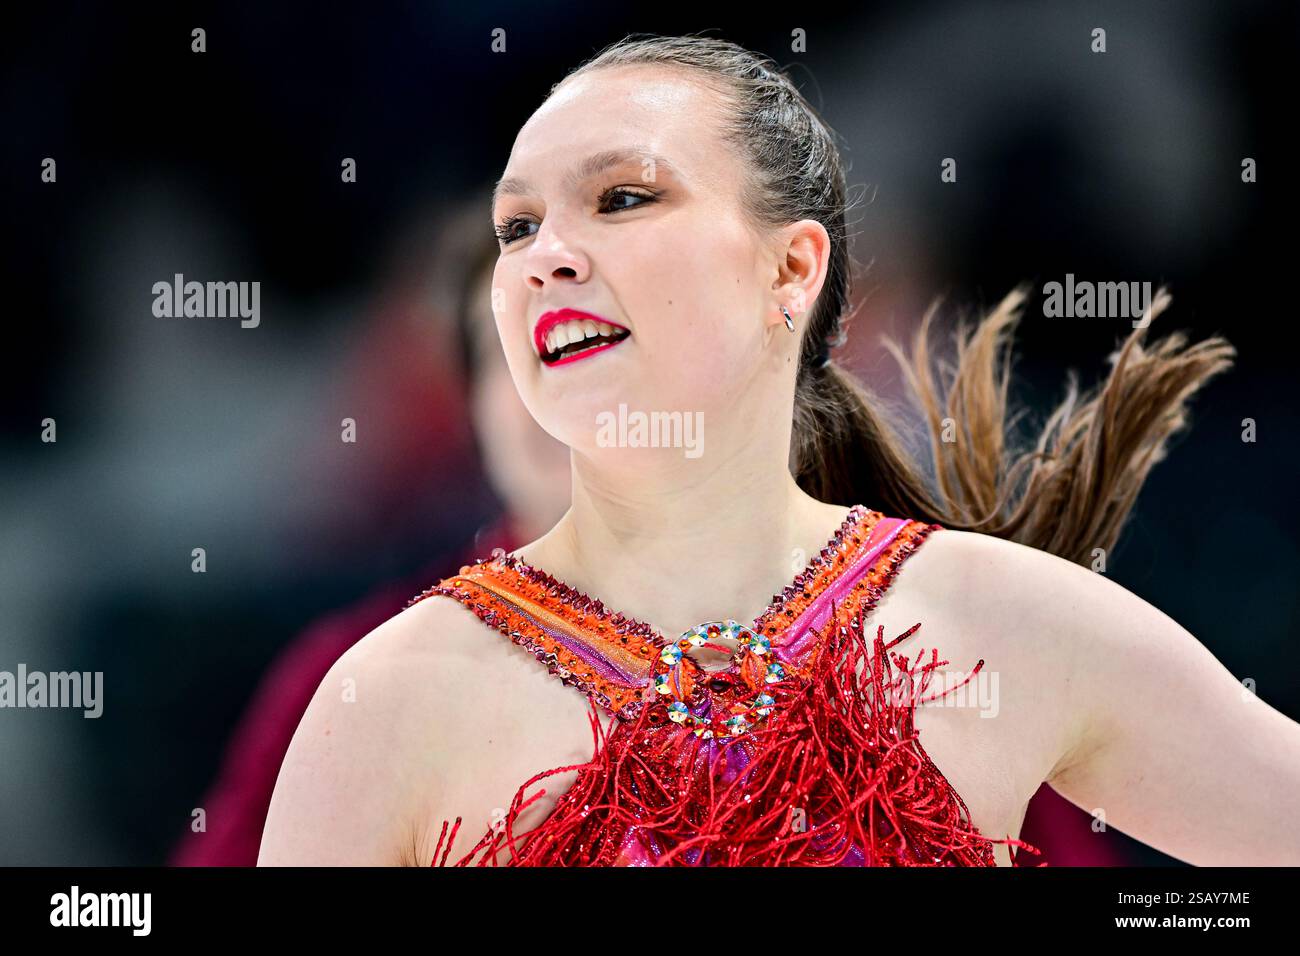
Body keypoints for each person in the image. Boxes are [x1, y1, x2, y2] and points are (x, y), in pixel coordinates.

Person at [259, 34, 1299, 867]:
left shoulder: (1006, 621)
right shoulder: (388, 698)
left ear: (790, 269)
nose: (546, 256)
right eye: (517, 225)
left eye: (622, 197)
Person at [169, 199, 570, 866]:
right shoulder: (352, 670)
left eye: (593, 335)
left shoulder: (787, 641)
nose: (553, 381)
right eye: (507, 346)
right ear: (466, 402)